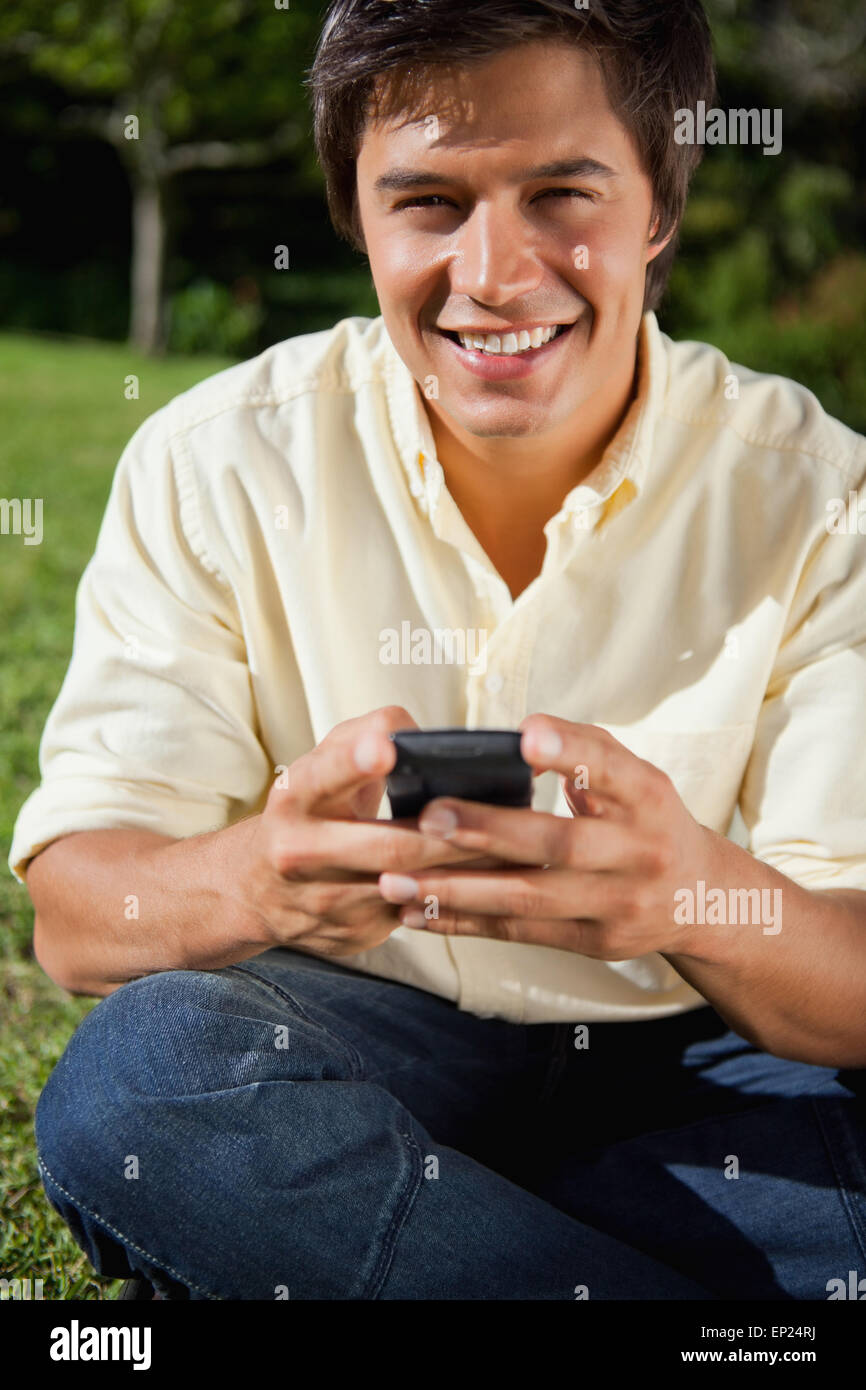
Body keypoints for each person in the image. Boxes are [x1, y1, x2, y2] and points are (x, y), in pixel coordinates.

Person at [11, 0, 866, 1300]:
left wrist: (685, 896)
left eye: (560, 193)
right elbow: (77, 918)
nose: (493, 272)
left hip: (697, 1054)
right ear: (357, 212)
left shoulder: (819, 495)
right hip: (348, 1029)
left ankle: (435, 1242)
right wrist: (265, 877)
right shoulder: (213, 461)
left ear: (658, 208)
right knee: (145, 1081)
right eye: (427, 202)